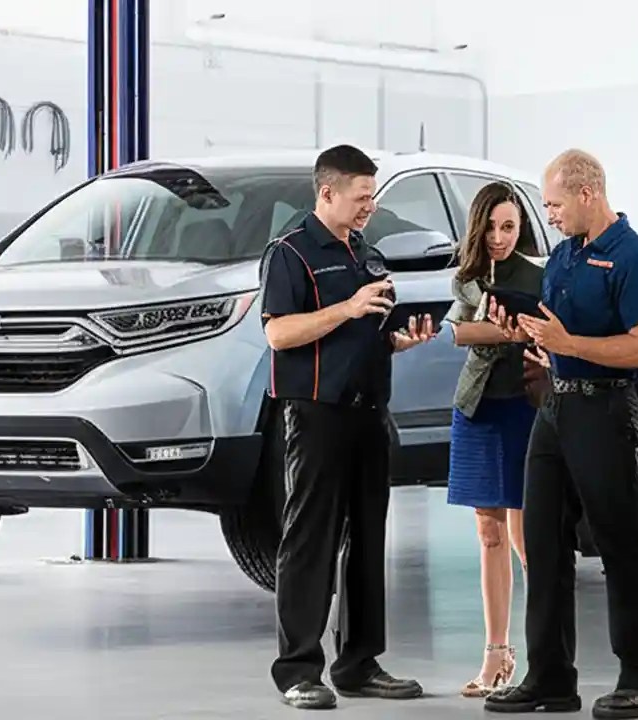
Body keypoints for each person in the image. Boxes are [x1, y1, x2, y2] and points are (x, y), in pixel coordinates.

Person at [483, 149, 638, 719]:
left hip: (606, 411)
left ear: (588, 194)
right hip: (555, 410)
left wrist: (571, 347)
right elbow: (556, 331)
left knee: (621, 543)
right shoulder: (563, 255)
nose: (551, 214)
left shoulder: (635, 259)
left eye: (556, 204)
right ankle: (550, 679)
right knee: (540, 543)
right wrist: (527, 332)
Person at [259, 143, 436, 711]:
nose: (369, 207)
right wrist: (347, 307)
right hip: (316, 415)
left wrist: (399, 340)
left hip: (369, 414)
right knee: (310, 539)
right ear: (327, 192)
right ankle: (297, 671)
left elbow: (370, 330)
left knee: (367, 542)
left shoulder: (368, 251)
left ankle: (359, 664)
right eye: (362, 197)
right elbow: (279, 334)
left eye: (373, 197)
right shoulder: (290, 254)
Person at [442, 181, 547, 697]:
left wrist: (517, 332)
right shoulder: (465, 278)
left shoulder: (540, 275)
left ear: (521, 226)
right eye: (490, 227)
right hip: (478, 407)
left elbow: (551, 334)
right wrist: (498, 328)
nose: (499, 237)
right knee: (488, 532)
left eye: (508, 226)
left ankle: (545, 656)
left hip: (525, 409)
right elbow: (458, 332)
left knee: (529, 538)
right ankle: (497, 653)